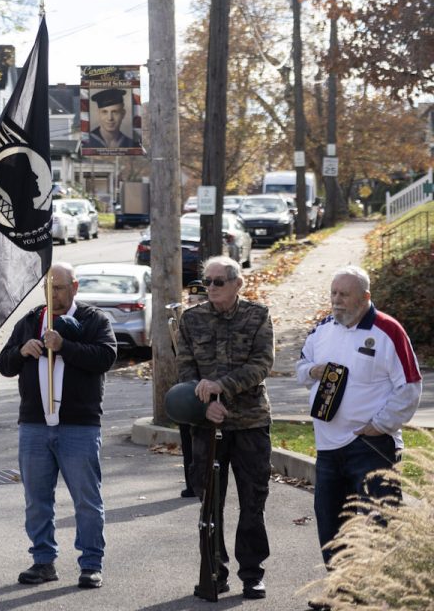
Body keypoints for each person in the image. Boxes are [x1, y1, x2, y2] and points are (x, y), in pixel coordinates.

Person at [0, 263, 117, 590]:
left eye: (60, 288)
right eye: (48, 289)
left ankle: (91, 563)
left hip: (79, 426)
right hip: (34, 425)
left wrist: (64, 346)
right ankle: (43, 561)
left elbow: (106, 357)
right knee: (37, 500)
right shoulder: (31, 321)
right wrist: (22, 351)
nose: (54, 295)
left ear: (74, 287)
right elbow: (4, 364)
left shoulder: (94, 320)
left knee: (86, 500)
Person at [295, 266, 423, 562]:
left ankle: (376, 597)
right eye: (333, 293)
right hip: (327, 447)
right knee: (331, 523)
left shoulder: (388, 330)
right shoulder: (322, 329)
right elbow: (301, 368)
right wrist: (313, 370)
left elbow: (410, 386)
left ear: (365, 297)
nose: (336, 300)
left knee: (378, 524)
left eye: (344, 294)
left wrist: (380, 425)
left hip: (370, 446)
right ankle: (339, 593)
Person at [175, 255, 274, 601]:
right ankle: (214, 573)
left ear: (237, 284)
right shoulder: (190, 319)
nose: (212, 288)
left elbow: (262, 364)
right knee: (209, 505)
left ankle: (252, 574)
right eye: (207, 282)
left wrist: (222, 387)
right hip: (206, 425)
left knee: (252, 502)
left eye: (219, 281)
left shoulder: (257, 316)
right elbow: (185, 369)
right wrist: (204, 402)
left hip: (250, 423)